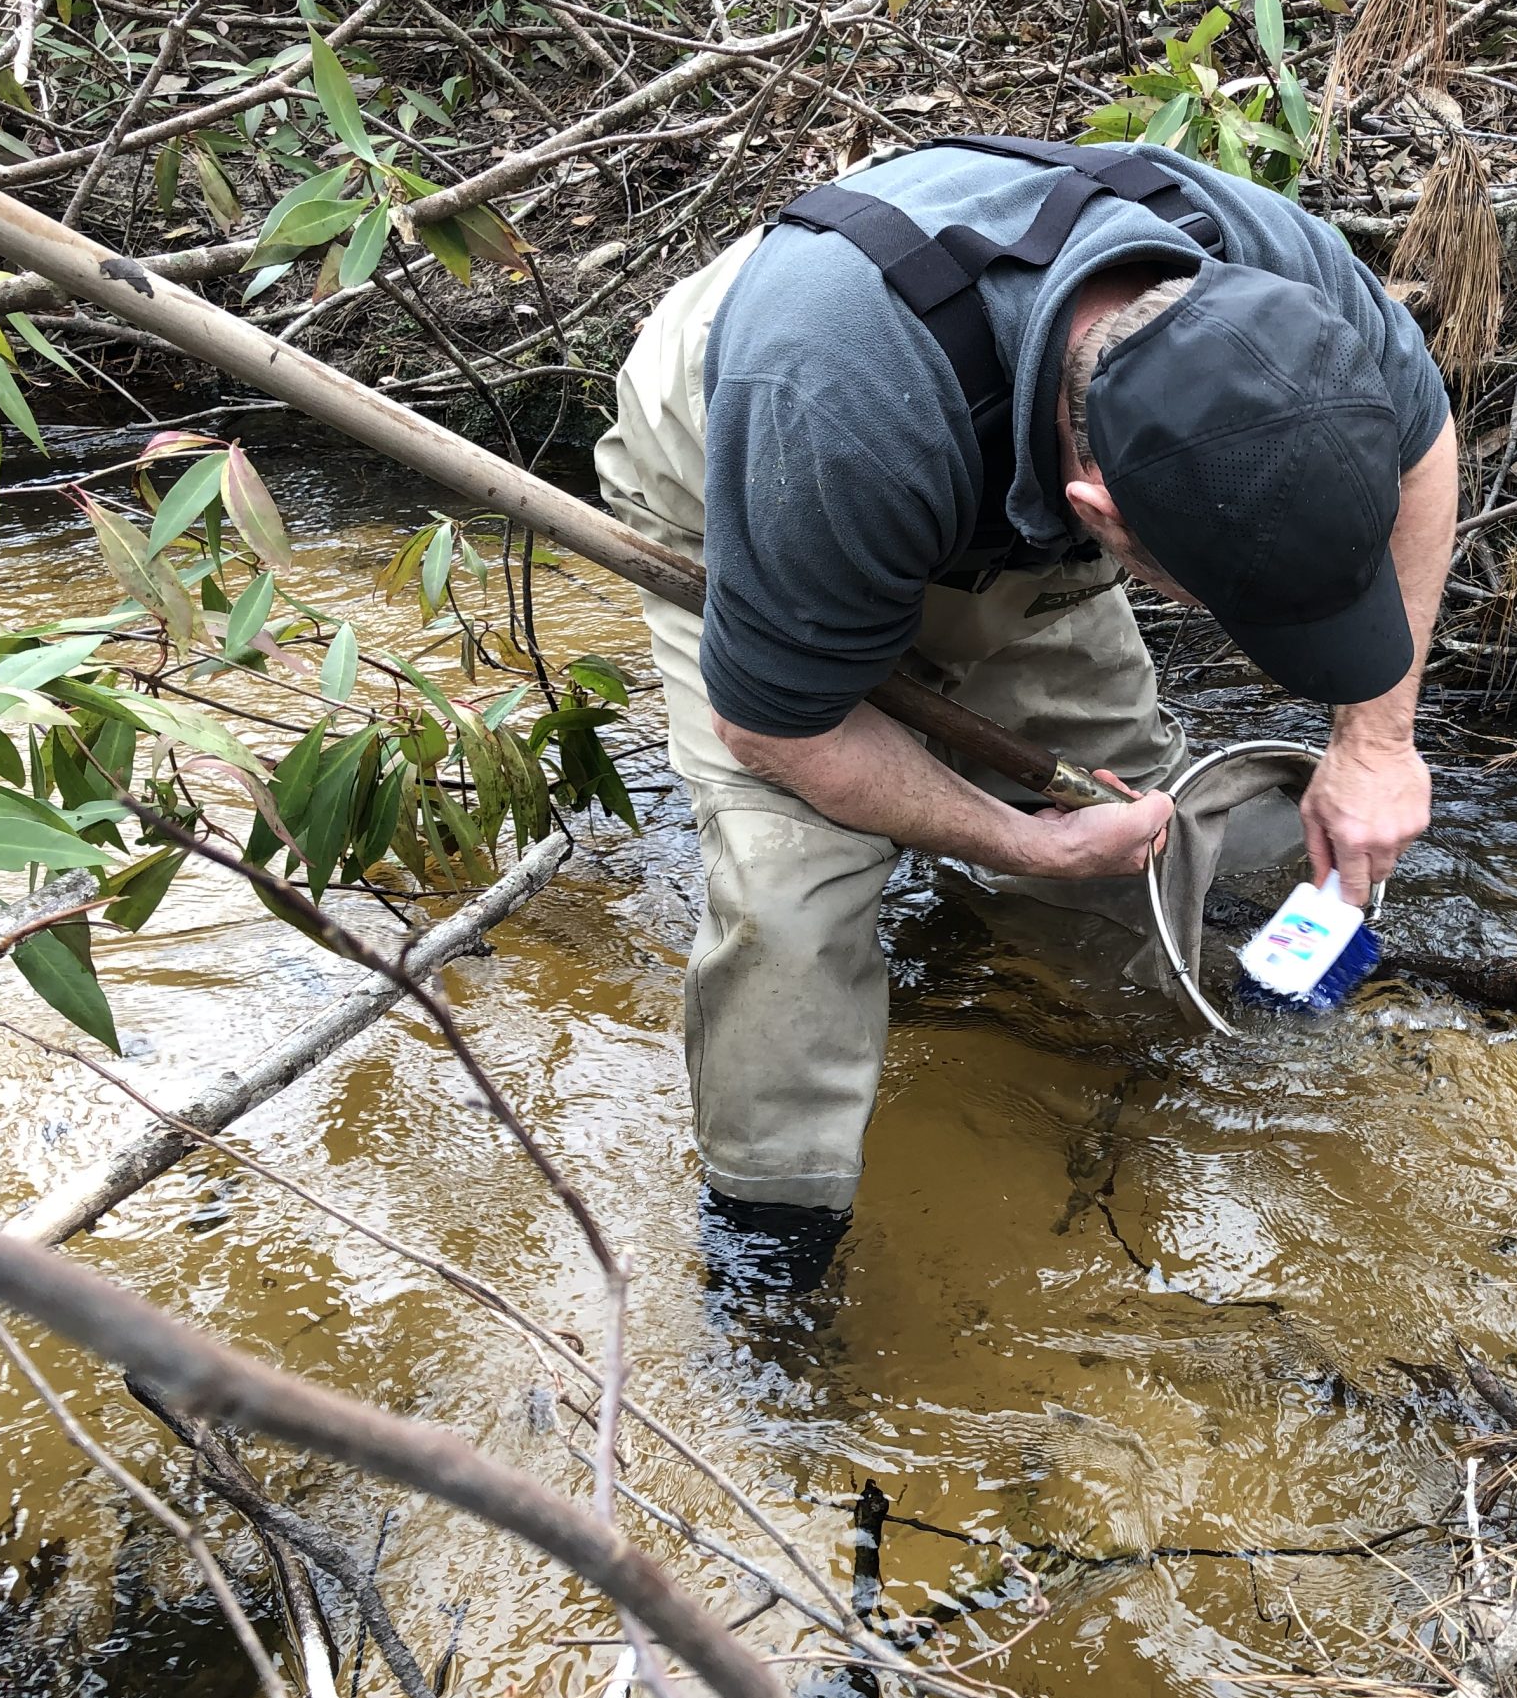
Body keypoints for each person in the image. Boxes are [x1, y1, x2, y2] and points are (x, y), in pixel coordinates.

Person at [594, 135, 1456, 1278]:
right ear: (1100, 513)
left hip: (981, 444)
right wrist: (1018, 842)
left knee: (1130, 834)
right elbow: (780, 728)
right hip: (745, 451)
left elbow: (1423, 441)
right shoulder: (834, 400)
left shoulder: (1277, 277)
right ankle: (768, 1262)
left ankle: (1131, 1047)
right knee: (793, 892)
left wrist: (1376, 739)